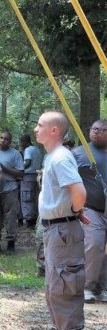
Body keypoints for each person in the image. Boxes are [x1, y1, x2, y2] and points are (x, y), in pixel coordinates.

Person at [32, 110, 88, 330]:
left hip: (63, 229)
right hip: (55, 228)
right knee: (56, 285)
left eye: (40, 125)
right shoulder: (51, 156)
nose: (36, 128)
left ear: (54, 130)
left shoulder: (61, 157)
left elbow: (79, 191)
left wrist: (75, 212)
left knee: (66, 285)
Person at [73, 119, 107, 303]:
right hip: (91, 209)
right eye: (95, 129)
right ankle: (87, 287)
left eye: (103, 130)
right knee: (94, 245)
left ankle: (101, 288)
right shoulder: (78, 153)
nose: (98, 132)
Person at [0, 130, 24, 253]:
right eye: (1, 138)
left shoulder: (15, 154)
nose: (3, 140)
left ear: (10, 141)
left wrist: (4, 168)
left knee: (11, 217)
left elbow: (20, 173)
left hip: (10, 189)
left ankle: (10, 243)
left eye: (6, 139)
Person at [21, 132, 44, 227]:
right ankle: (35, 216)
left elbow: (27, 162)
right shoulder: (37, 149)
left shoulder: (28, 150)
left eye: (21, 142)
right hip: (36, 177)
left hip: (28, 176)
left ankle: (29, 219)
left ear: (25, 141)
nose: (20, 144)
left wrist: (20, 169)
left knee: (27, 197)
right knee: (35, 197)